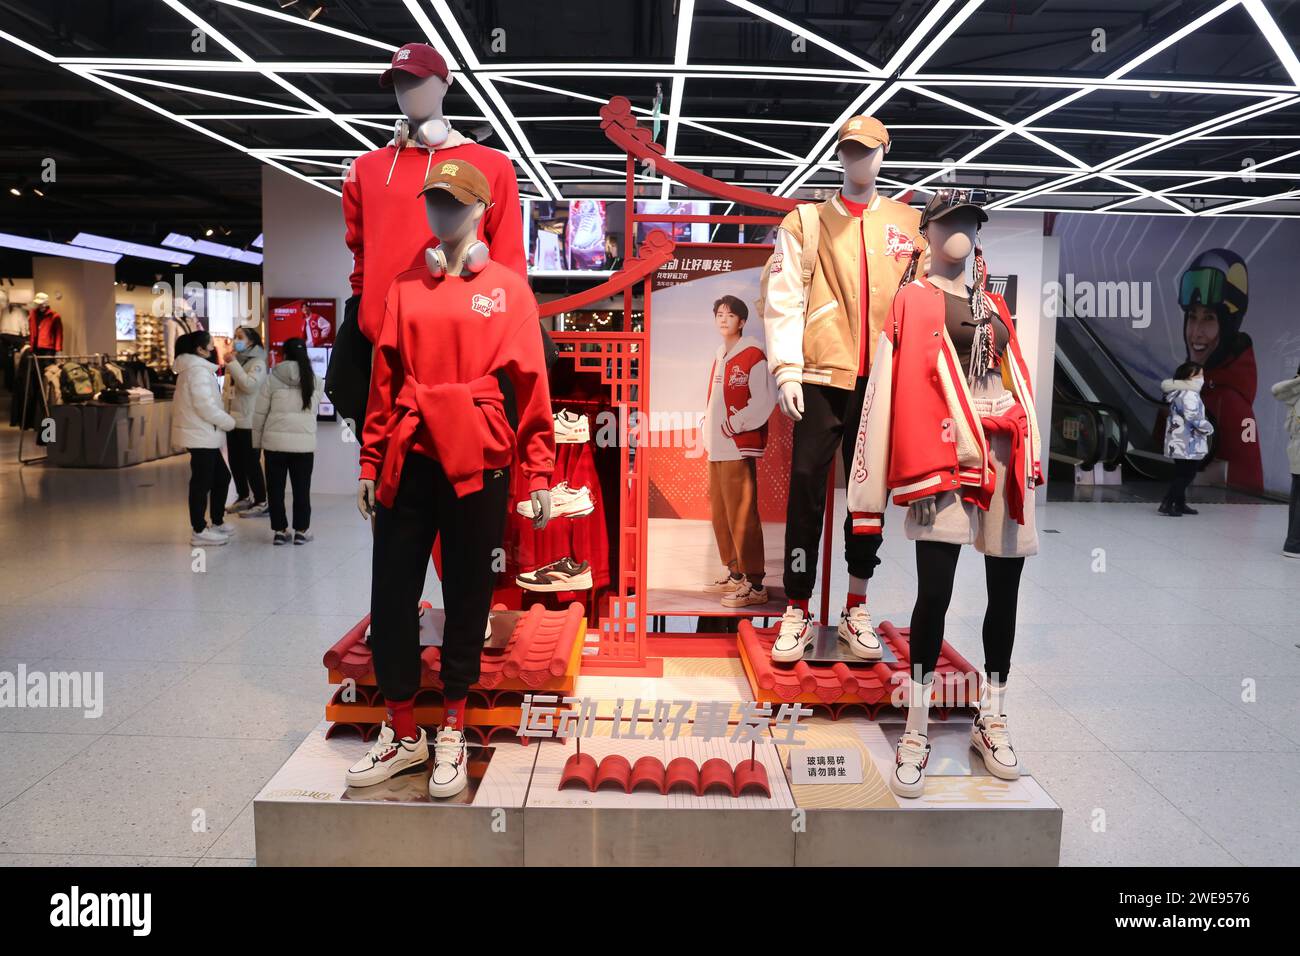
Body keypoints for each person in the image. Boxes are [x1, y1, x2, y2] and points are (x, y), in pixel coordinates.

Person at [702, 294, 776, 608]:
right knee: (721, 515)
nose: (723, 319)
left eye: (730, 315)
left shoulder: (752, 356)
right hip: (717, 449)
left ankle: (756, 583)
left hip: (737, 447)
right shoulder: (721, 354)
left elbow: (764, 401)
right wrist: (707, 427)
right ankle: (735, 575)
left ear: (742, 322)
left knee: (742, 516)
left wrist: (735, 424)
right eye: (719, 313)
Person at [252, 337, 323, 546]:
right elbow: (314, 411)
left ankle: (280, 532)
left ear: (284, 354)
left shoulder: (271, 378)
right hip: (303, 446)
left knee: (275, 490)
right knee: (302, 489)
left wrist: (256, 443)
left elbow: (259, 414)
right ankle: (301, 531)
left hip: (274, 445)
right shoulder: (316, 380)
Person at [172, 330, 236, 546]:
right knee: (202, 481)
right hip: (200, 433)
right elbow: (204, 405)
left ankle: (216, 521)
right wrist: (227, 422)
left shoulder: (195, 369)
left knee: (221, 477)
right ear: (199, 350)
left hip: (203, 432)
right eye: (210, 346)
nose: (214, 349)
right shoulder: (197, 371)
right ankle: (199, 529)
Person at [222, 325, 269, 517]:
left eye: (240, 337)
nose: (236, 340)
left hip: (250, 422)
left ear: (251, 341)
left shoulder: (257, 363)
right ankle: (243, 496)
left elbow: (249, 386)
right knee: (235, 461)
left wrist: (233, 364)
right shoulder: (235, 360)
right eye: (235, 336)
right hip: (232, 420)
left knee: (251, 463)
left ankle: (261, 500)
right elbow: (228, 392)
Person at [1160, 362, 1214, 517]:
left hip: (1178, 439)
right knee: (1187, 474)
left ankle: (1179, 504)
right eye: (1199, 375)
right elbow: (1193, 416)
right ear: (1189, 376)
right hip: (1187, 441)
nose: (1202, 378)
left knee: (1181, 473)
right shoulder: (1189, 394)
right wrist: (1209, 428)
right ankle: (1167, 503)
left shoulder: (1178, 392)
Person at [1271, 363, 1300, 557]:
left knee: (1296, 497)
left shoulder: (1295, 394)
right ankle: (1294, 544)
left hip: (1296, 451)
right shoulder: (1296, 392)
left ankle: (1292, 541)